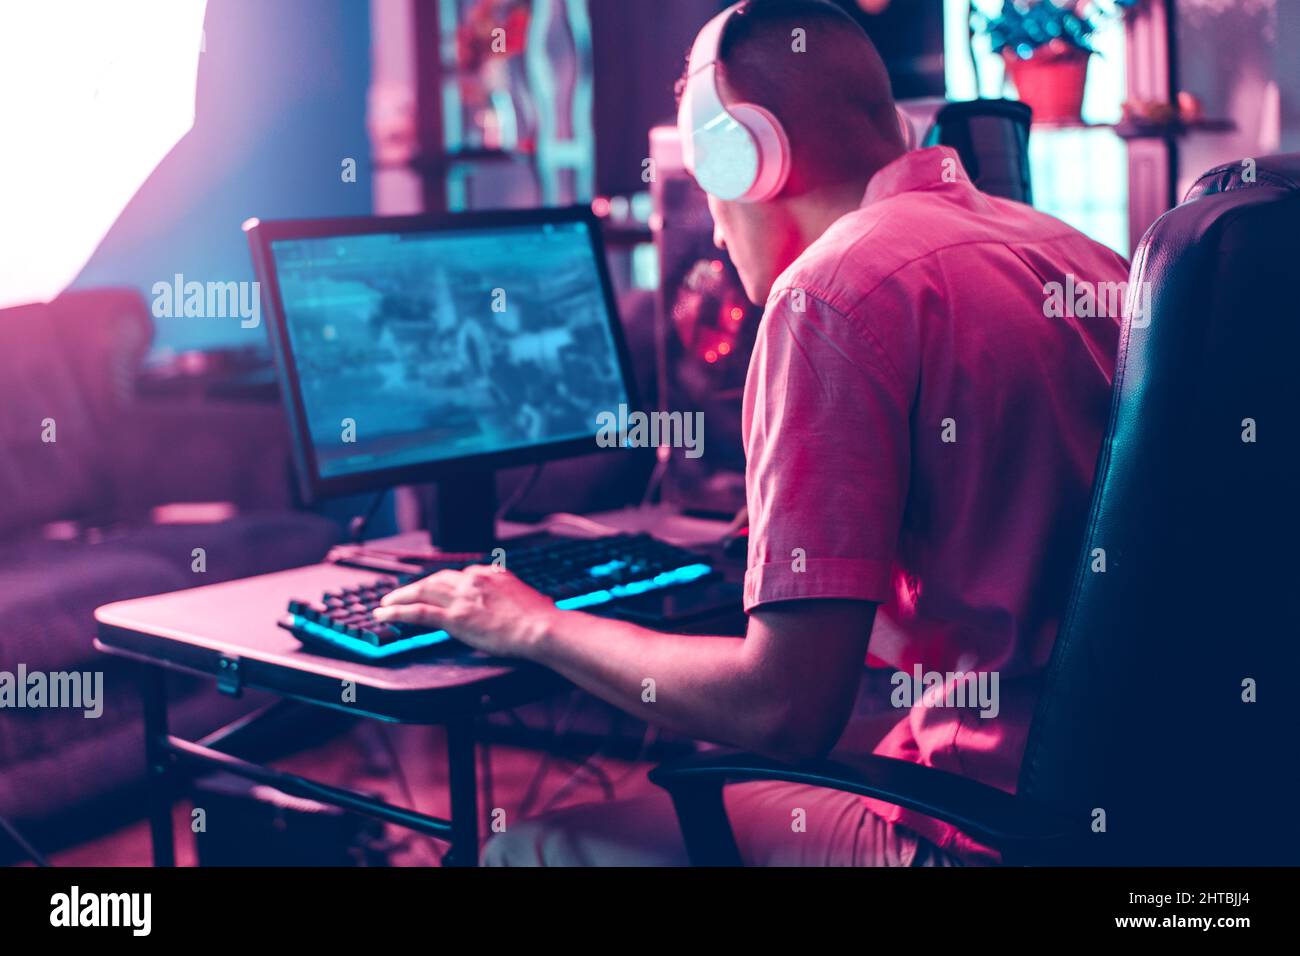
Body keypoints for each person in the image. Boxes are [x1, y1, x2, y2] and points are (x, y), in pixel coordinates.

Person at [375, 0, 1130, 866]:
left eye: (704, 180)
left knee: (529, 849)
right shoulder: (1073, 252)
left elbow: (784, 710)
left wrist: (533, 625)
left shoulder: (834, 293)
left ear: (745, 158)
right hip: (1136, 808)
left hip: (979, 833)